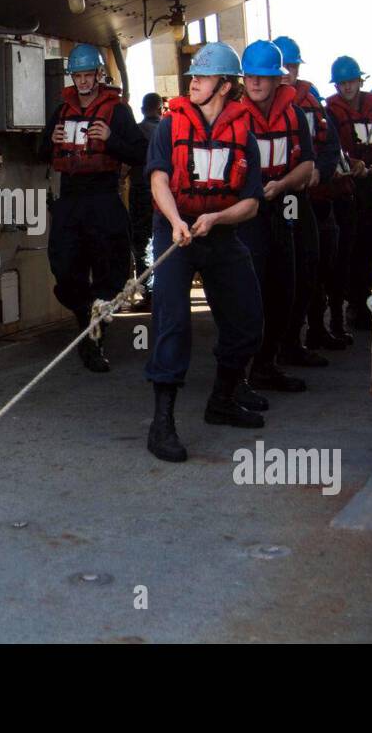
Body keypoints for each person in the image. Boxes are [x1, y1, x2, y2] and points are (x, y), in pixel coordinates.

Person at [144, 42, 264, 462]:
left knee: (247, 320)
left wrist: (216, 219)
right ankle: (162, 424)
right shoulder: (169, 126)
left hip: (219, 232)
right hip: (175, 232)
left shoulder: (245, 134)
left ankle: (223, 400)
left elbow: (251, 201)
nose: (192, 81)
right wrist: (177, 221)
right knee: (173, 323)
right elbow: (159, 180)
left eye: (203, 76)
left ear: (226, 86)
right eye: (194, 75)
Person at [39, 43, 148, 372]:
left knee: (110, 274)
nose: (84, 81)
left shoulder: (118, 111)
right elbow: (41, 151)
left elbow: (140, 154)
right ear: (73, 77)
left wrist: (112, 139)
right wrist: (51, 140)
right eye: (79, 75)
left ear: (99, 75)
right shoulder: (61, 111)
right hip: (70, 200)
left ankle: (94, 342)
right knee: (64, 270)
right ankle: (85, 311)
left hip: (104, 199)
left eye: (89, 74)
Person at [234, 40, 317, 393]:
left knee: (285, 285)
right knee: (247, 292)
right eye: (250, 76)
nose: (255, 83)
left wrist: (281, 184)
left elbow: (308, 165)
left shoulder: (295, 115)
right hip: (245, 216)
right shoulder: (232, 116)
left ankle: (267, 364)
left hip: (283, 209)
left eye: (263, 77)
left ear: (277, 80)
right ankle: (239, 371)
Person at [274, 36, 344, 356]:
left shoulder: (311, 104)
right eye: (282, 67)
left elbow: (330, 146)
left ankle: (315, 329)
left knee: (315, 262)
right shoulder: (254, 106)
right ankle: (284, 341)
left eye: (292, 66)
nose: (288, 72)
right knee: (288, 266)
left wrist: (320, 170)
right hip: (281, 200)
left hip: (312, 198)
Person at [324, 56, 372, 330]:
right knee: (345, 247)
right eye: (342, 83)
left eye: (351, 82)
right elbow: (329, 148)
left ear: (360, 81)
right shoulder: (330, 112)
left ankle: (361, 303)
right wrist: (351, 164)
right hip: (345, 189)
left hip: (371, 186)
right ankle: (340, 309)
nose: (347, 88)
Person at [127, 92, 163, 311]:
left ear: (142, 109)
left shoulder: (137, 132)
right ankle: (164, 290)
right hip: (165, 194)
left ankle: (150, 294)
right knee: (162, 240)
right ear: (160, 109)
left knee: (142, 243)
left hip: (141, 191)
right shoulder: (169, 131)